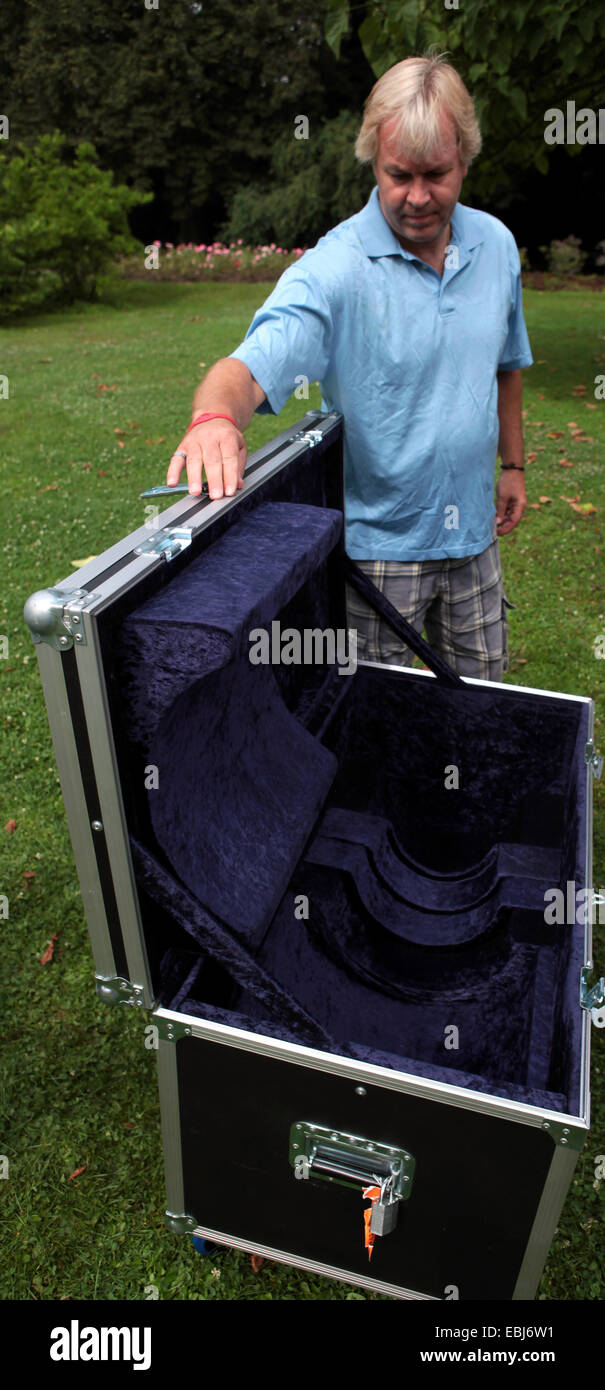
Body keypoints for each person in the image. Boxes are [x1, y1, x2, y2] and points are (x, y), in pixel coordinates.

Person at [166, 51, 532, 680]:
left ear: (465, 160)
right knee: (378, 731)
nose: (417, 197)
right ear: (373, 160)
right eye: (399, 175)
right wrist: (214, 417)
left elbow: (506, 363)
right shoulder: (334, 269)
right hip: (377, 557)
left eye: (437, 175)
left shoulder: (496, 245)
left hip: (475, 539)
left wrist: (514, 466)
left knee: (482, 710)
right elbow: (252, 364)